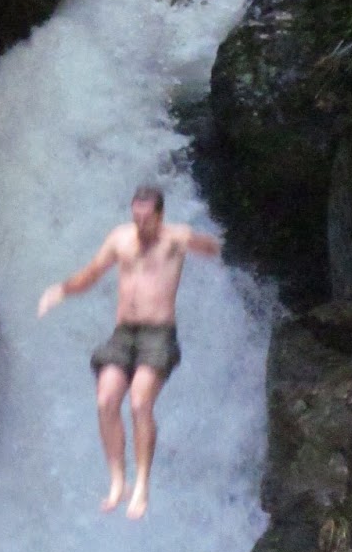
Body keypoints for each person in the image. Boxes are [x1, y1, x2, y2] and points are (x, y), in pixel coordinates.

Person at [37, 184, 221, 519]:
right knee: (106, 400)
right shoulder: (120, 238)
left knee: (139, 402)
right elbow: (91, 273)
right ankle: (117, 480)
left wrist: (211, 246)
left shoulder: (176, 238)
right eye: (135, 217)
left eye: (146, 219)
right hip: (123, 335)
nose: (140, 225)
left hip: (158, 336)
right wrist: (60, 290)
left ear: (160, 216)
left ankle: (141, 485)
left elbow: (210, 247)